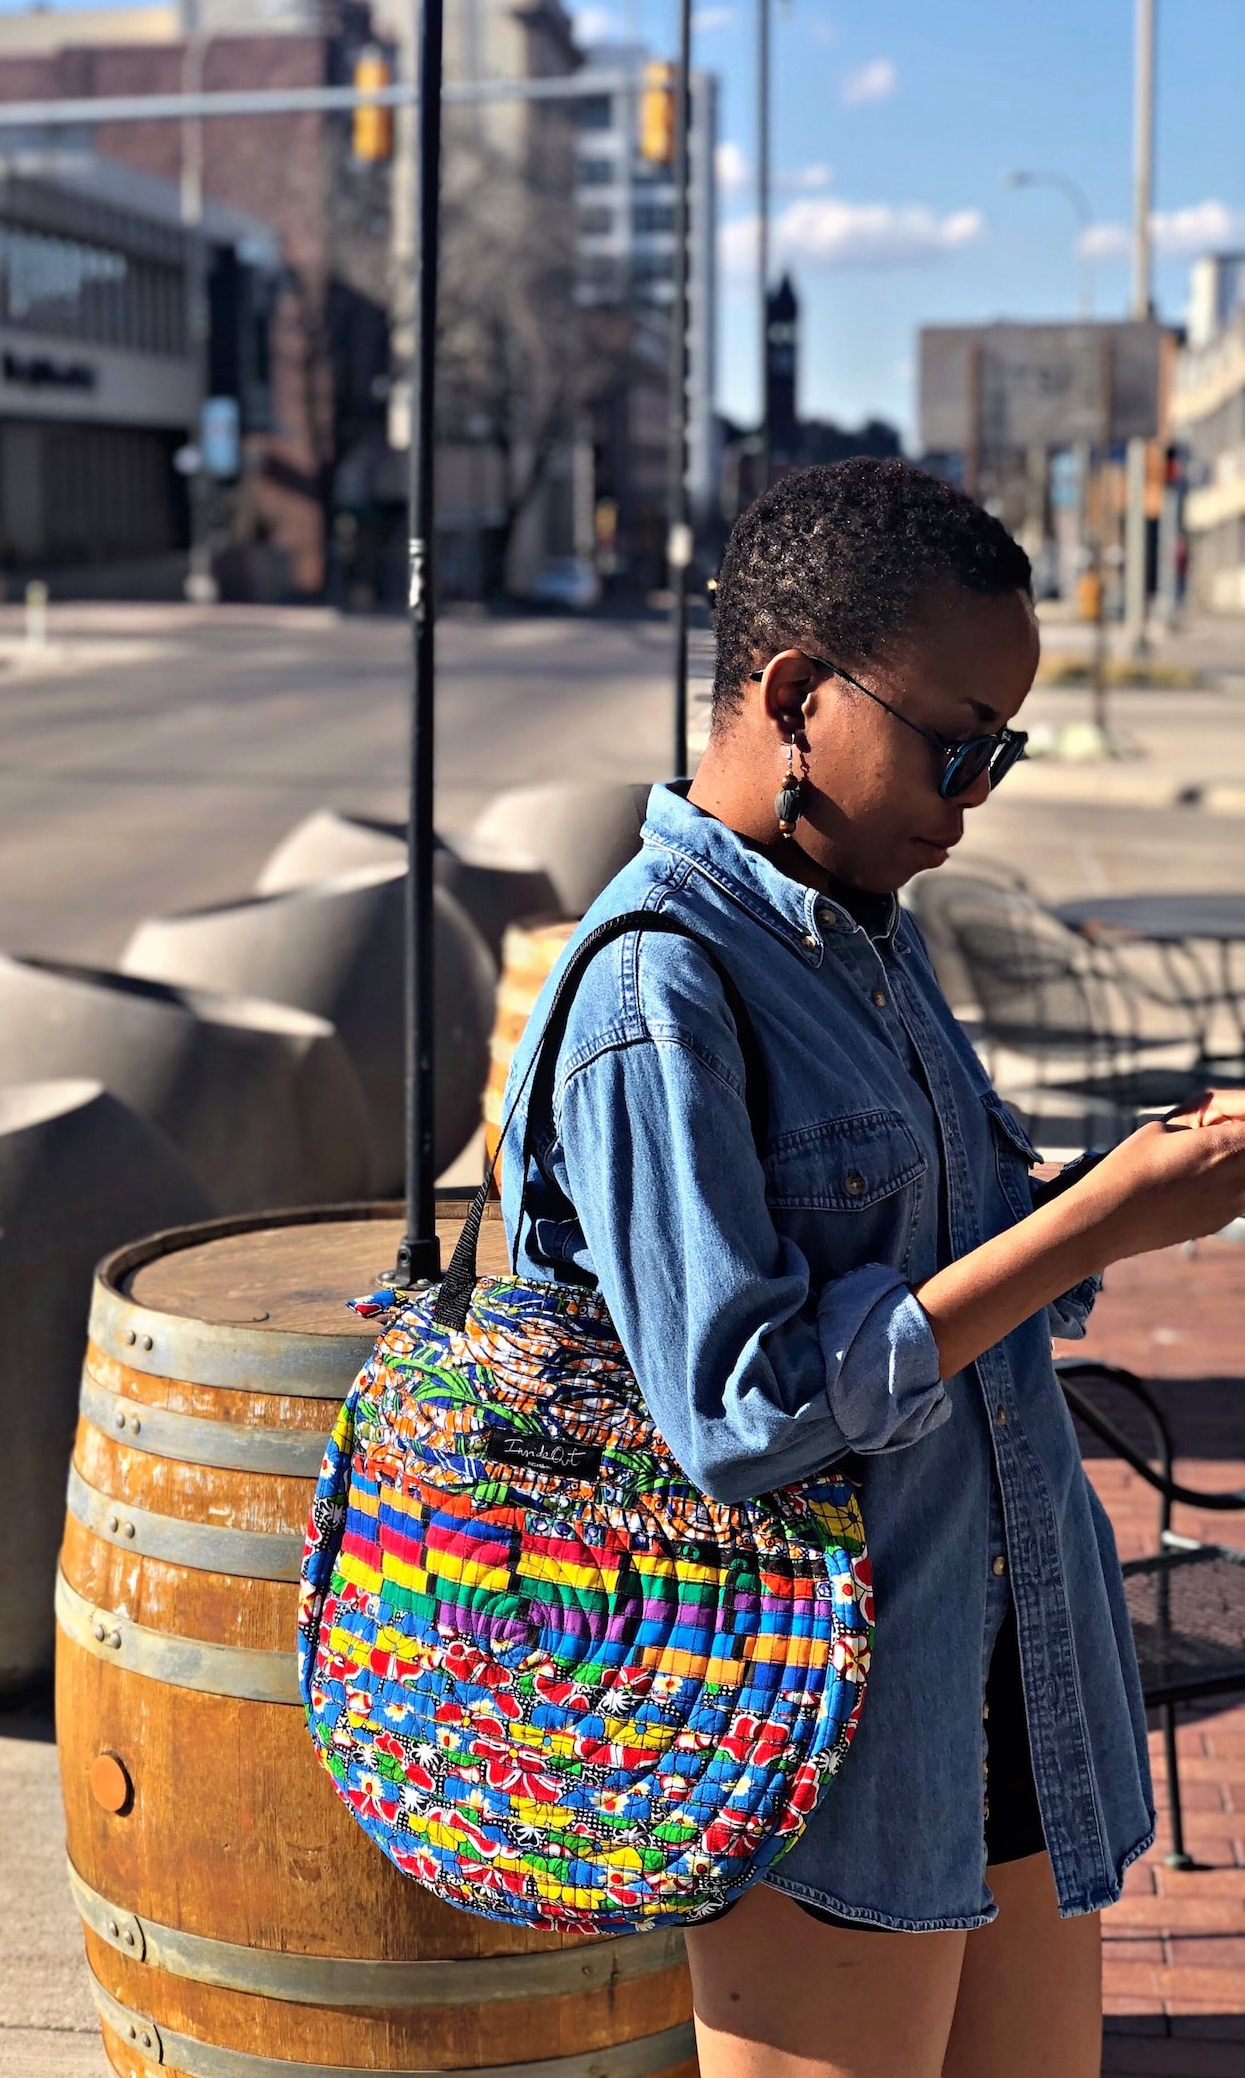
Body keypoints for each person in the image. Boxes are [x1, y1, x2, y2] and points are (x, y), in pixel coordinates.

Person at [500, 459, 1245, 2078]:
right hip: (816, 1714)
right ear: (792, 694)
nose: (976, 794)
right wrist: (1097, 1221)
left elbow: (957, 1273)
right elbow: (740, 1411)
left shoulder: (871, 927)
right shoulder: (657, 993)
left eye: (1009, 749)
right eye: (956, 741)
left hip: (1015, 1658)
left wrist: (1109, 1188)